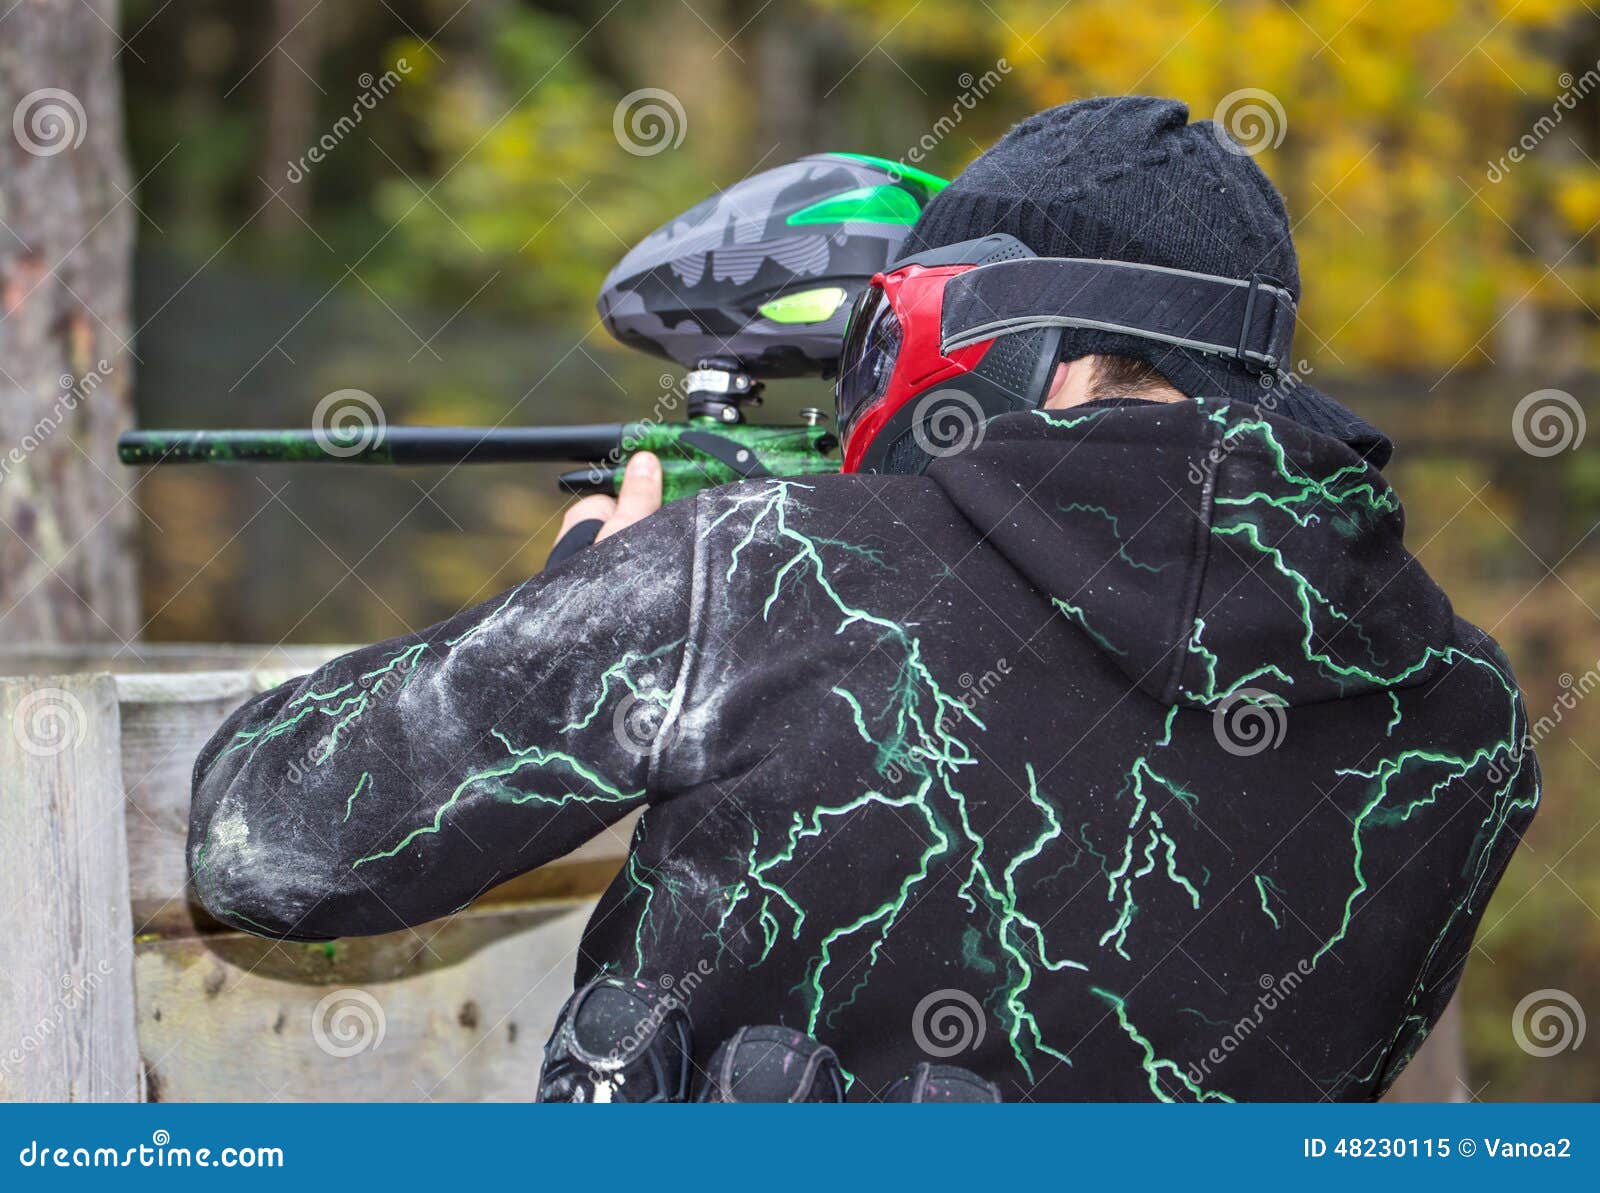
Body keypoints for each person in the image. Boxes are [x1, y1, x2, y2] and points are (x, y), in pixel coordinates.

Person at [187, 97, 1540, 1102]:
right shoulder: (1467, 724)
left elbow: (268, 835)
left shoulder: (778, 570)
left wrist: (584, 594)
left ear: (1007, 343)